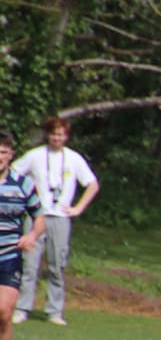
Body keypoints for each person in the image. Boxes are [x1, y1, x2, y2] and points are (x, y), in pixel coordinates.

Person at [12, 117, 99, 326]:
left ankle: (54, 311)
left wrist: (77, 208)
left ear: (66, 136)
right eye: (53, 134)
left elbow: (92, 184)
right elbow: (13, 173)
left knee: (57, 265)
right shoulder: (35, 156)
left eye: (60, 134)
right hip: (36, 216)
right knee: (29, 263)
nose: (56, 138)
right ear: (47, 135)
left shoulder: (74, 158)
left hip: (60, 217)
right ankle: (22, 308)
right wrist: (26, 196)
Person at [0, 130, 46, 340]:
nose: (0, 156)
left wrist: (32, 236)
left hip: (9, 255)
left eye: (4, 151)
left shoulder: (23, 184)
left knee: (4, 313)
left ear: (11, 155)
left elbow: (39, 216)